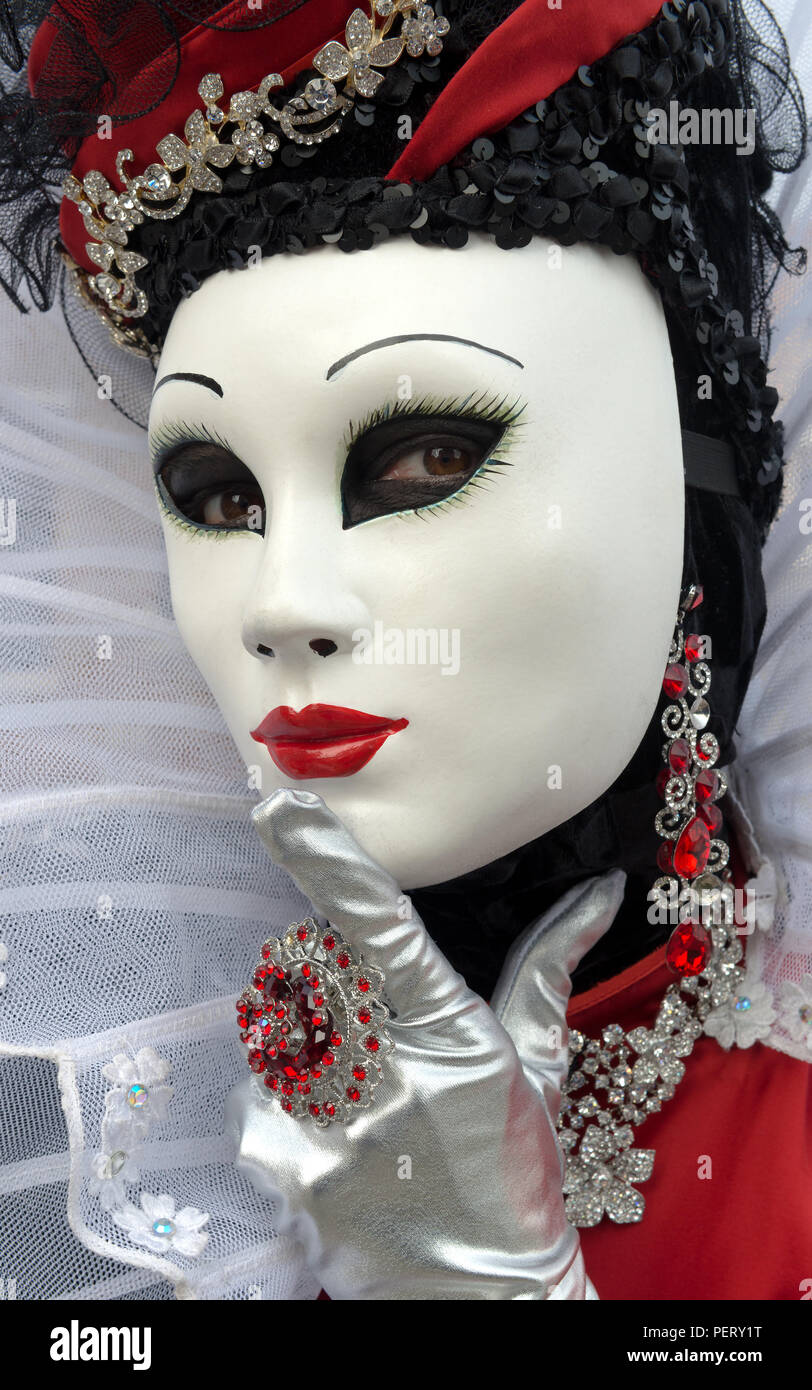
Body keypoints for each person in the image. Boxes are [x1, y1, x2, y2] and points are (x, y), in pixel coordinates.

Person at [0, 0, 810, 1300]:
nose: (282, 600)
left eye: (425, 455)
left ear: (693, 494)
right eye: (217, 494)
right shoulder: (141, 1155)